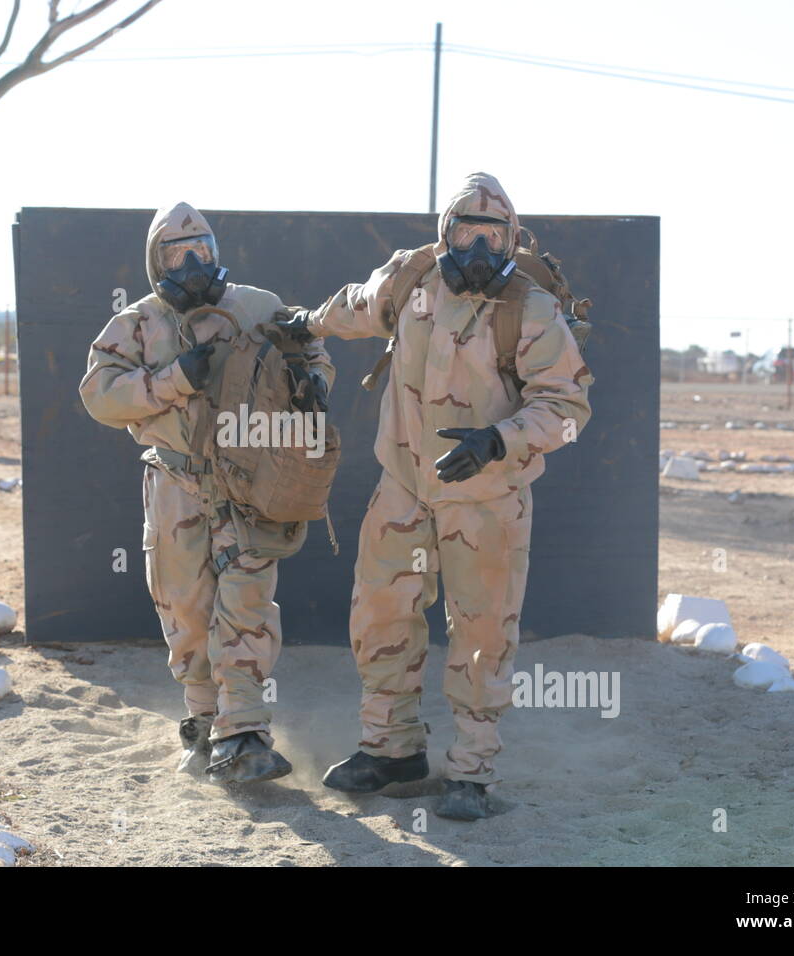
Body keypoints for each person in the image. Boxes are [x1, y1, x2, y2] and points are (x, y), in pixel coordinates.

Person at [276, 172, 594, 819]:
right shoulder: (410, 279)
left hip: (488, 501)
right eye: (466, 233)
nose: (478, 248)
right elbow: (357, 304)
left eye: (492, 235)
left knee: (482, 631)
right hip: (404, 487)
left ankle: (471, 773)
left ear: (511, 239)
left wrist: (499, 439)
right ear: (445, 233)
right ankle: (390, 748)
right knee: (380, 615)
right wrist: (307, 325)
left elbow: (568, 410)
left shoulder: (532, 309)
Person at [80, 202, 334, 784]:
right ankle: (203, 723)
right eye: (178, 254)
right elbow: (100, 396)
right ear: (156, 263)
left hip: (251, 482)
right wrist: (174, 380)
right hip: (175, 482)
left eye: (203, 251)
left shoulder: (258, 306)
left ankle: (244, 732)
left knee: (245, 604)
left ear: (218, 253)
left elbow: (312, 348)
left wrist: (314, 382)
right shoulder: (138, 323)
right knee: (187, 610)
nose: (194, 264)